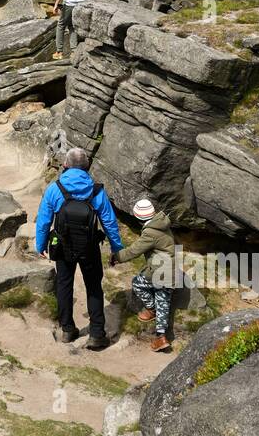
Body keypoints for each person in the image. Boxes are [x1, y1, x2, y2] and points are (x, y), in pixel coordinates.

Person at [35, 147, 123, 350]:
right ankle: (96, 334)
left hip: (63, 247)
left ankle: (67, 330)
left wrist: (40, 244)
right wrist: (116, 248)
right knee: (93, 287)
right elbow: (109, 223)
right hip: (89, 247)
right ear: (86, 167)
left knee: (64, 285)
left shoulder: (55, 188)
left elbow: (43, 221)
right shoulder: (96, 190)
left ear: (65, 165)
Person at [113, 197, 176, 352]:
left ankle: (151, 308)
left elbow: (134, 250)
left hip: (159, 272)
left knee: (137, 283)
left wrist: (117, 257)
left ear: (139, 217)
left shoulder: (150, 232)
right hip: (170, 270)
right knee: (163, 300)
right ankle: (161, 336)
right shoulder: (162, 224)